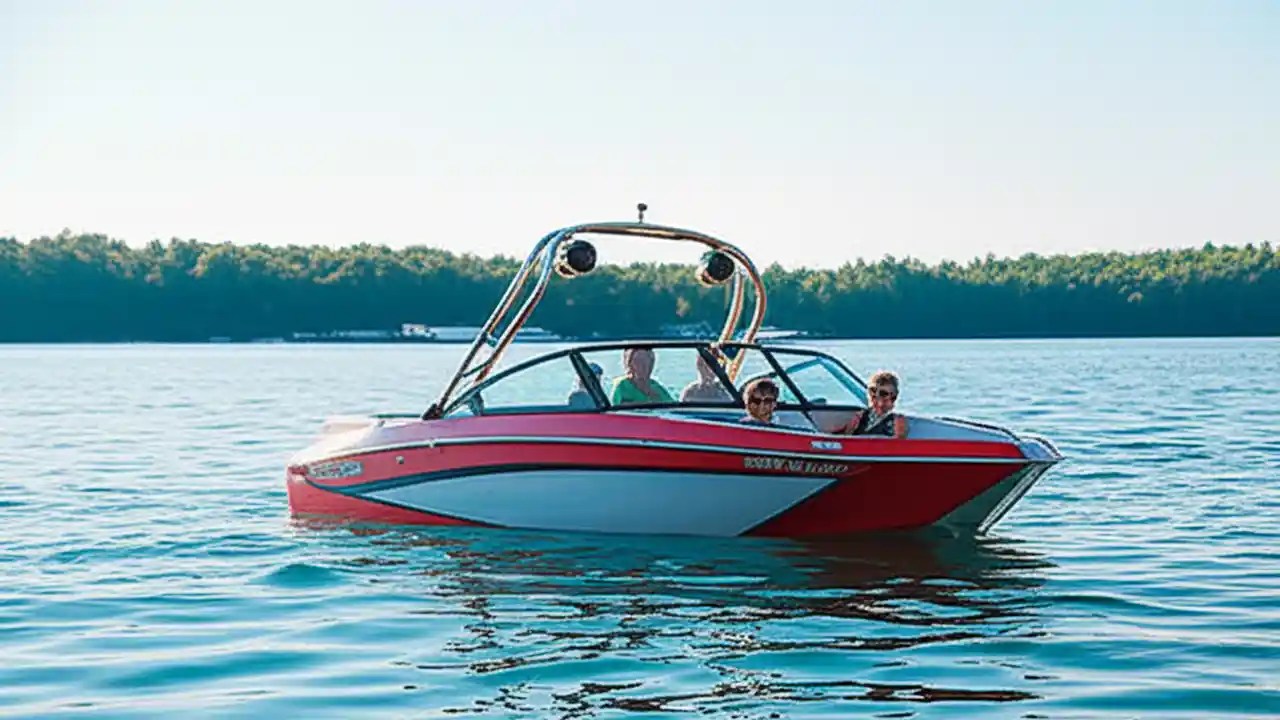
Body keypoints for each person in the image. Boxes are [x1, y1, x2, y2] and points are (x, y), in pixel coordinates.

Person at [840, 370, 908, 438]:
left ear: (893, 396)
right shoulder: (861, 416)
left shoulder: (897, 420)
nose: (876, 395)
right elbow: (846, 439)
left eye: (883, 393)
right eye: (873, 390)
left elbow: (897, 445)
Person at [610, 347, 675, 405]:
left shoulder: (656, 387)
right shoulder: (621, 386)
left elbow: (674, 408)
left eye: (646, 361)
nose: (642, 366)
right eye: (638, 361)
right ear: (630, 364)